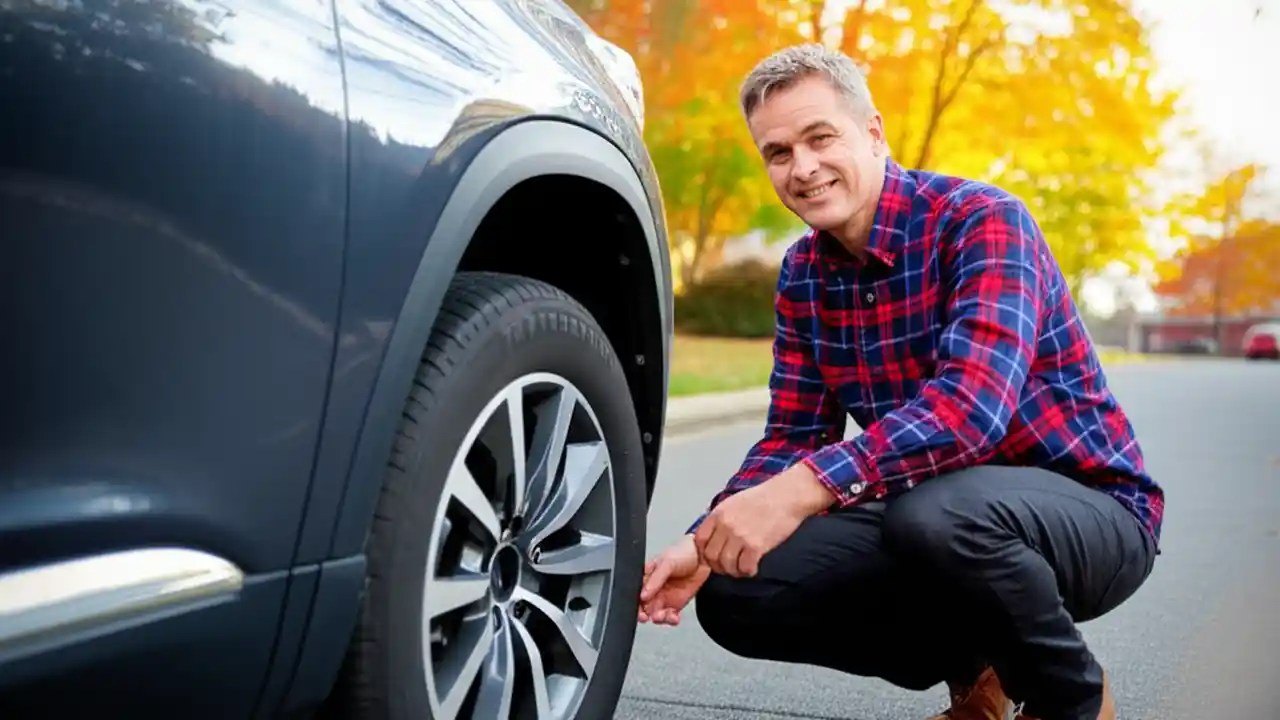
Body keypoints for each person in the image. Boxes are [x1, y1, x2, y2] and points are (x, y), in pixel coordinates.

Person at [637, 43, 1164, 720]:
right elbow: (793, 436)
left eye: (820, 137)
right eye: (777, 153)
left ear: (875, 132)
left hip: (1091, 514)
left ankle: (1073, 702)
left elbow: (970, 411)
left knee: (937, 516)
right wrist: (708, 537)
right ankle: (981, 672)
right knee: (741, 587)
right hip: (941, 516)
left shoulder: (982, 221)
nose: (802, 168)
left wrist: (802, 492)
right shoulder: (804, 274)